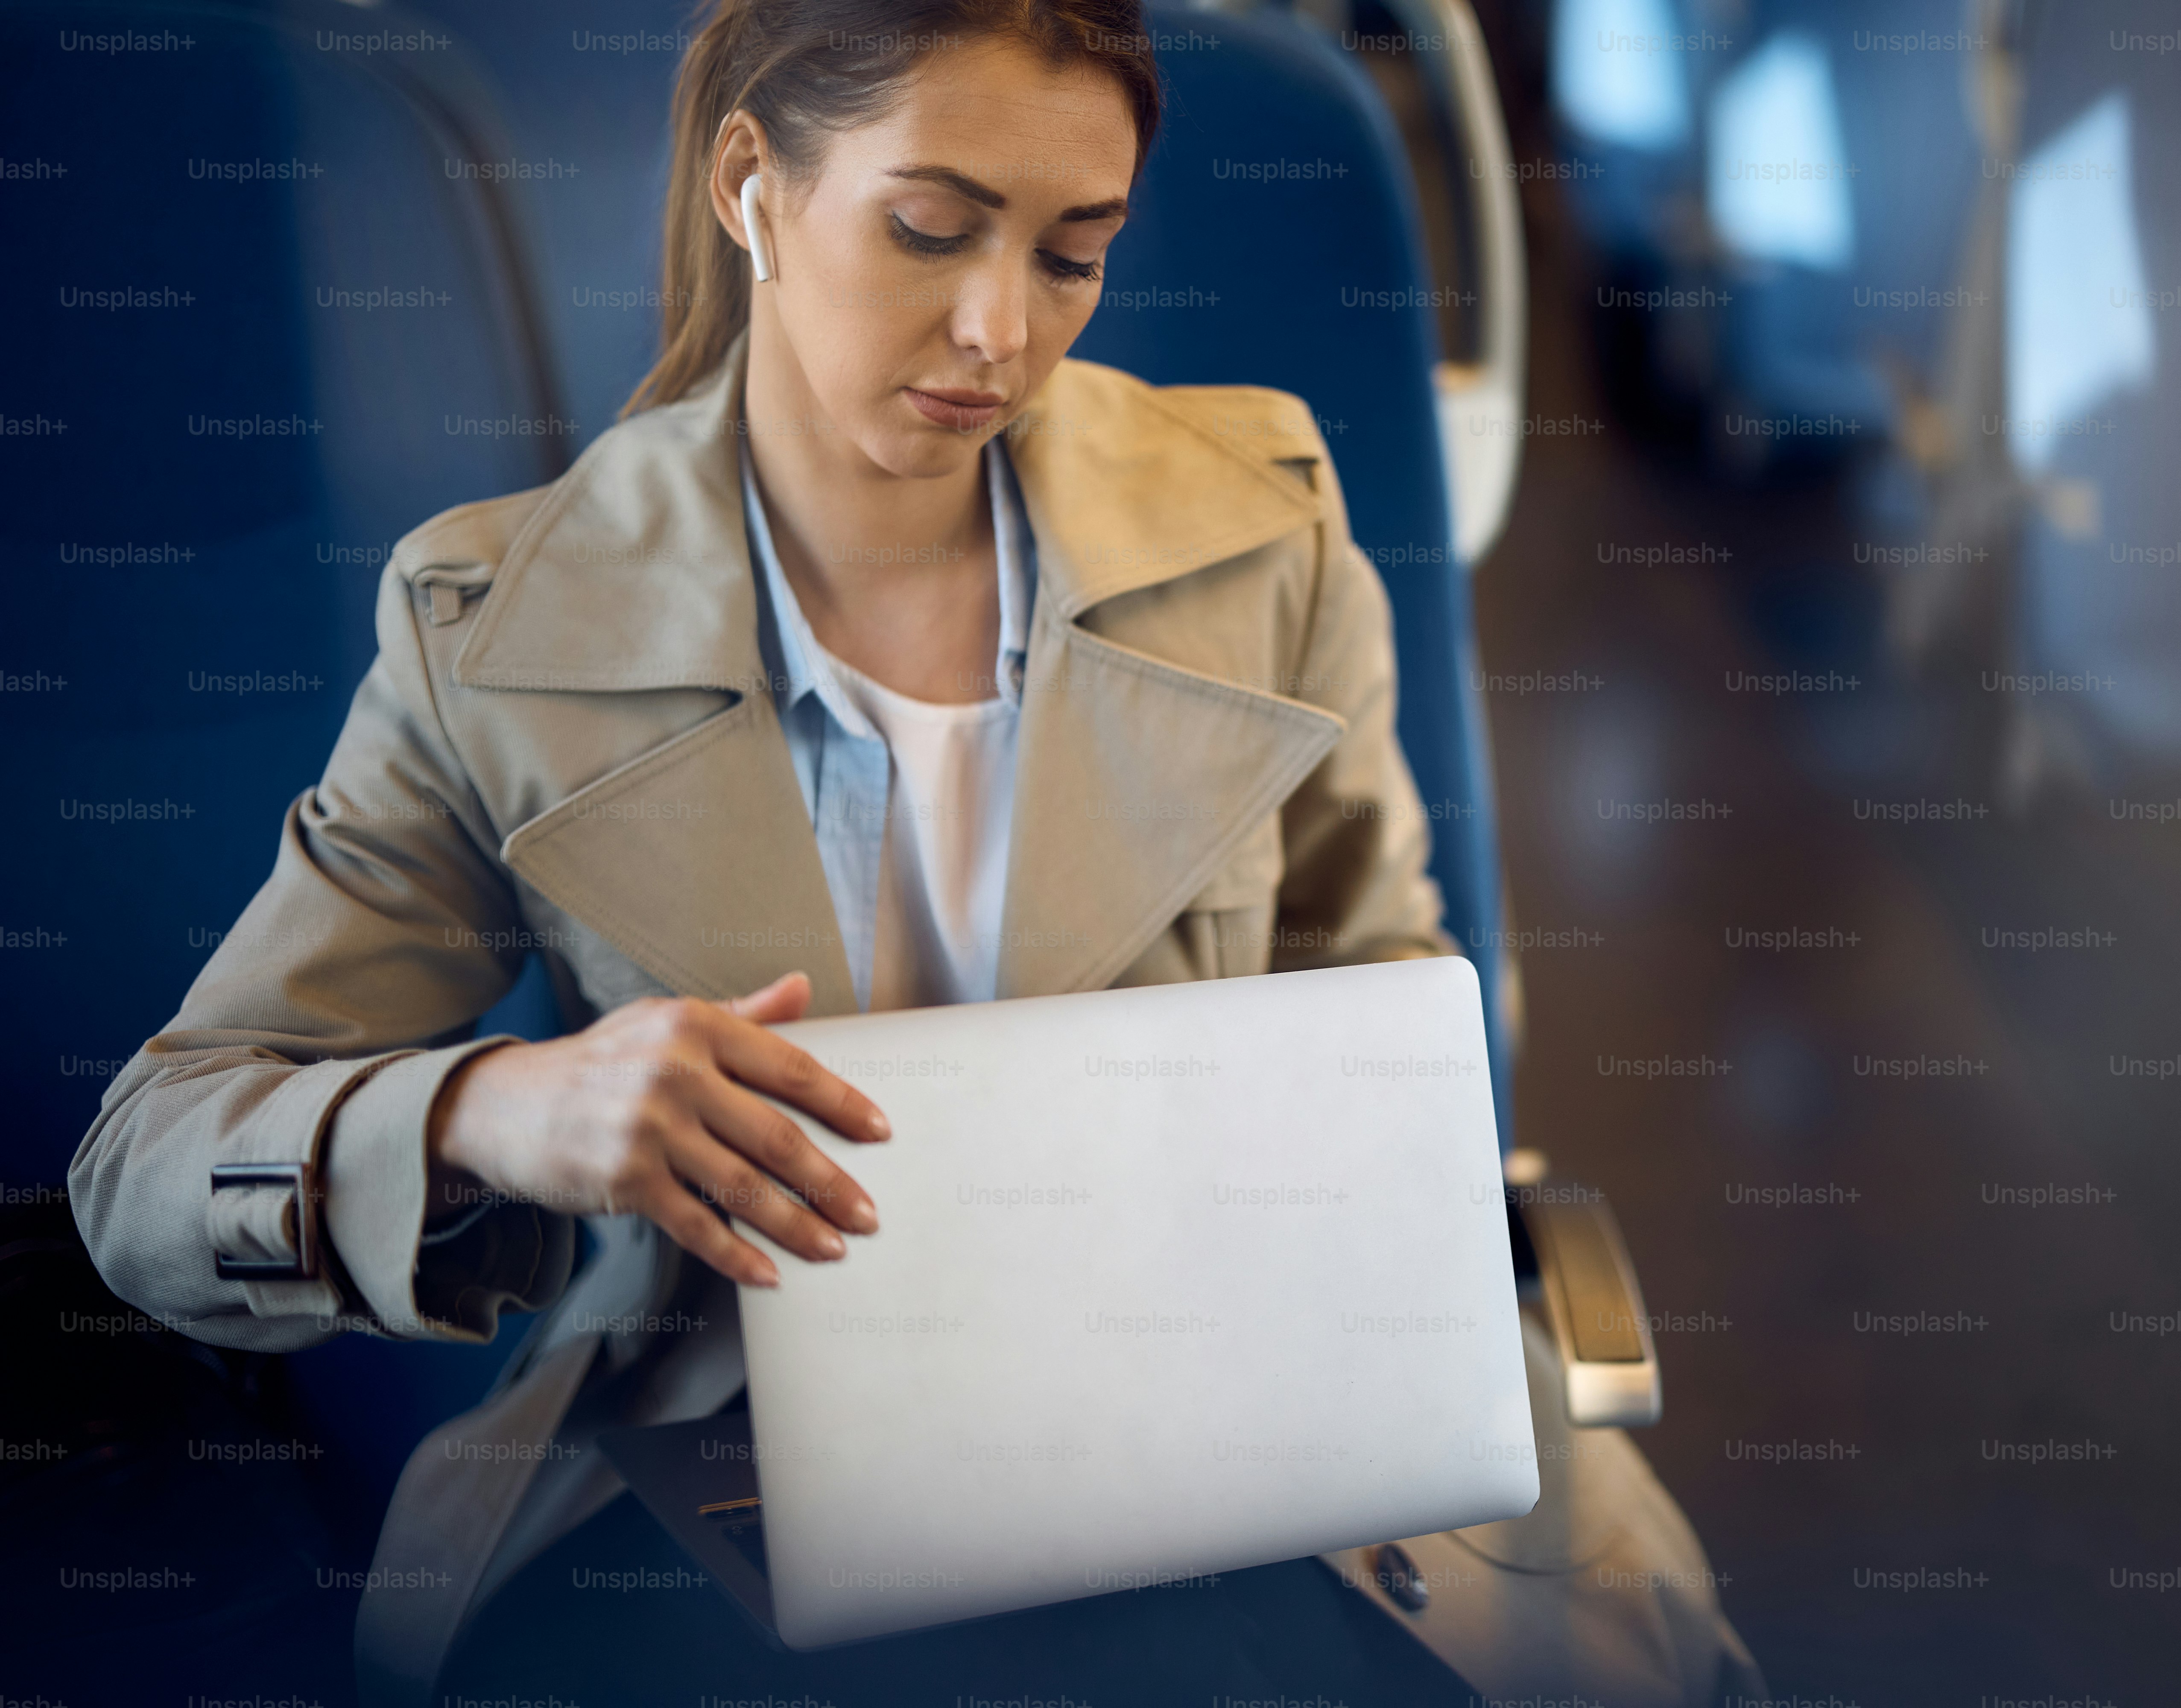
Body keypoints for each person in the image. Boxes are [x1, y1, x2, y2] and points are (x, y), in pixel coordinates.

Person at [69, 0, 1756, 1702]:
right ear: (753, 184)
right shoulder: (495, 626)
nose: (998, 331)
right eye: (930, 230)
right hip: (722, 1456)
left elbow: (1384, 1015)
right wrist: (500, 1108)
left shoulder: (1267, 531)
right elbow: (144, 1168)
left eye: (1073, 256)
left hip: (1227, 1433)